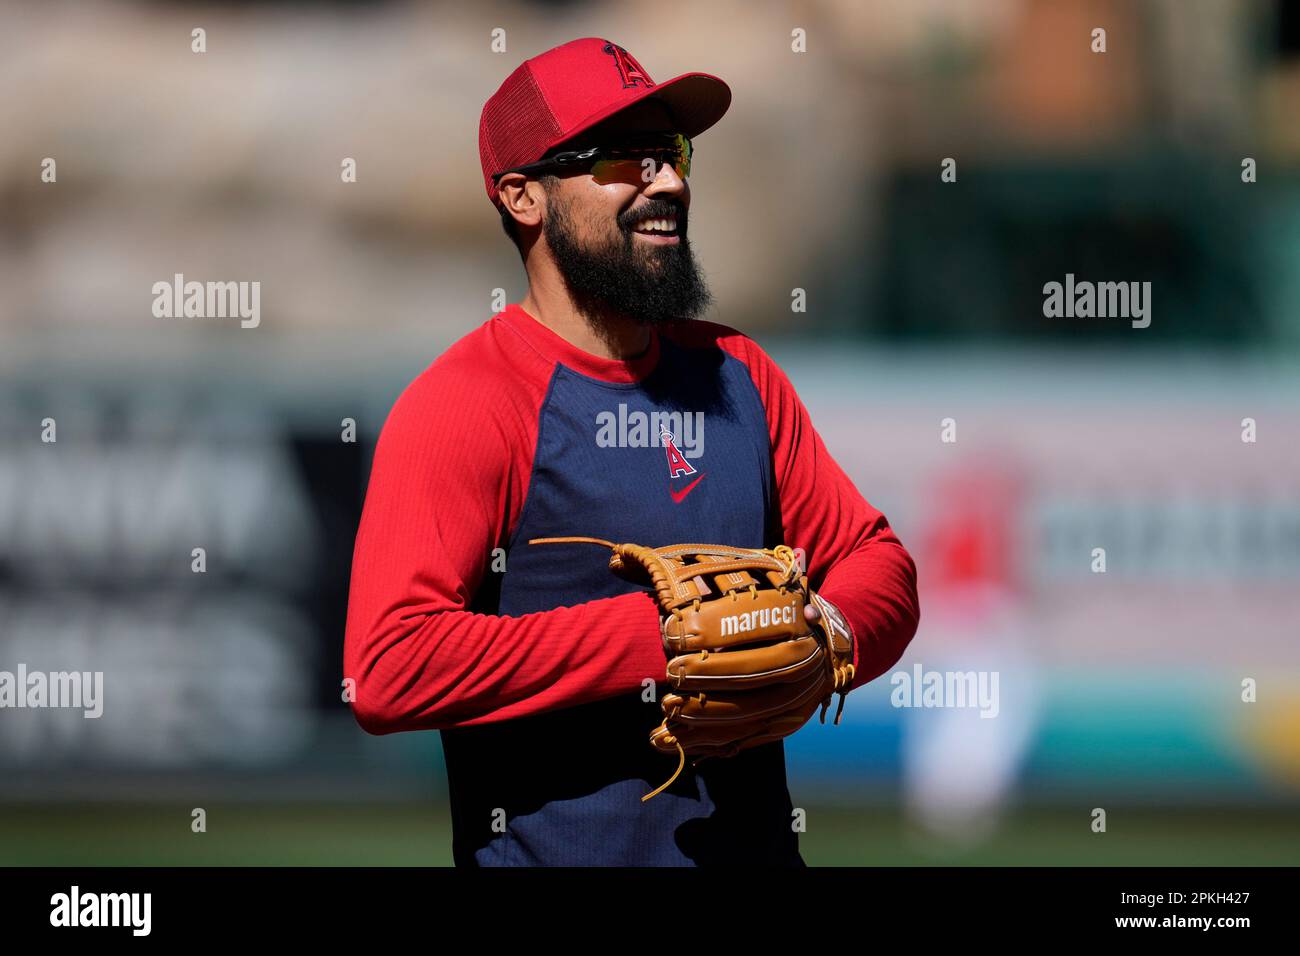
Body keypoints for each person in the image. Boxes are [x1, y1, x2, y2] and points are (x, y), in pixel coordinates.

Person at [343, 37, 920, 866]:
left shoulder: (737, 372)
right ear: (522, 197)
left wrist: (823, 628)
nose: (670, 182)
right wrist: (667, 639)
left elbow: (877, 560)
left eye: (673, 152)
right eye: (624, 157)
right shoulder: (467, 402)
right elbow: (388, 665)